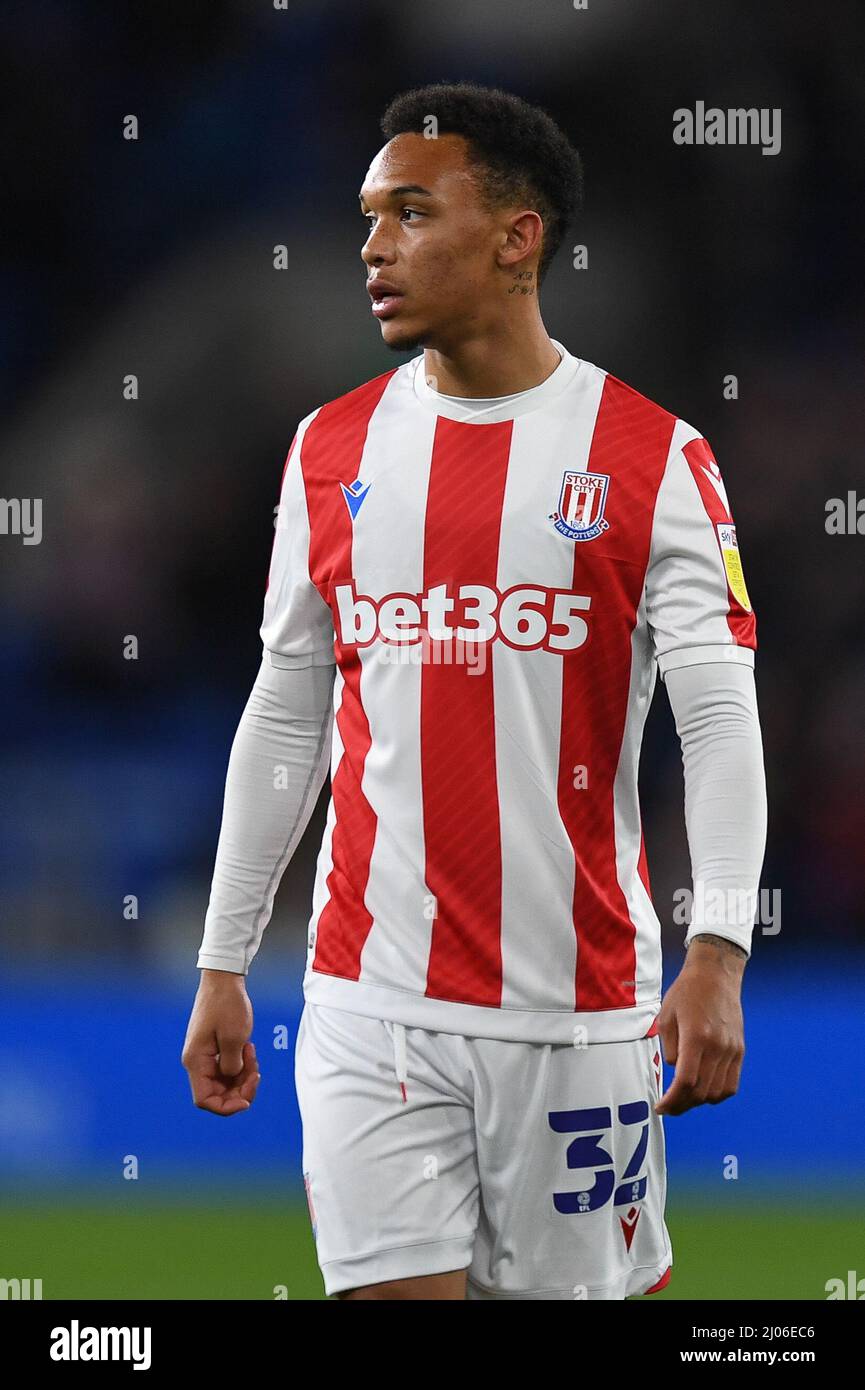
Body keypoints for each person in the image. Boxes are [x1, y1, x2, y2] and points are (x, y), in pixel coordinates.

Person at [182, 81, 767, 1301]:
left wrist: (716, 945)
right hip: (368, 1003)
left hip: (578, 1014)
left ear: (517, 236)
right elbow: (286, 708)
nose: (371, 246)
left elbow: (717, 720)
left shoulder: (655, 458)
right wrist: (224, 956)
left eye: (408, 212)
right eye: (366, 217)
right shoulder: (328, 448)